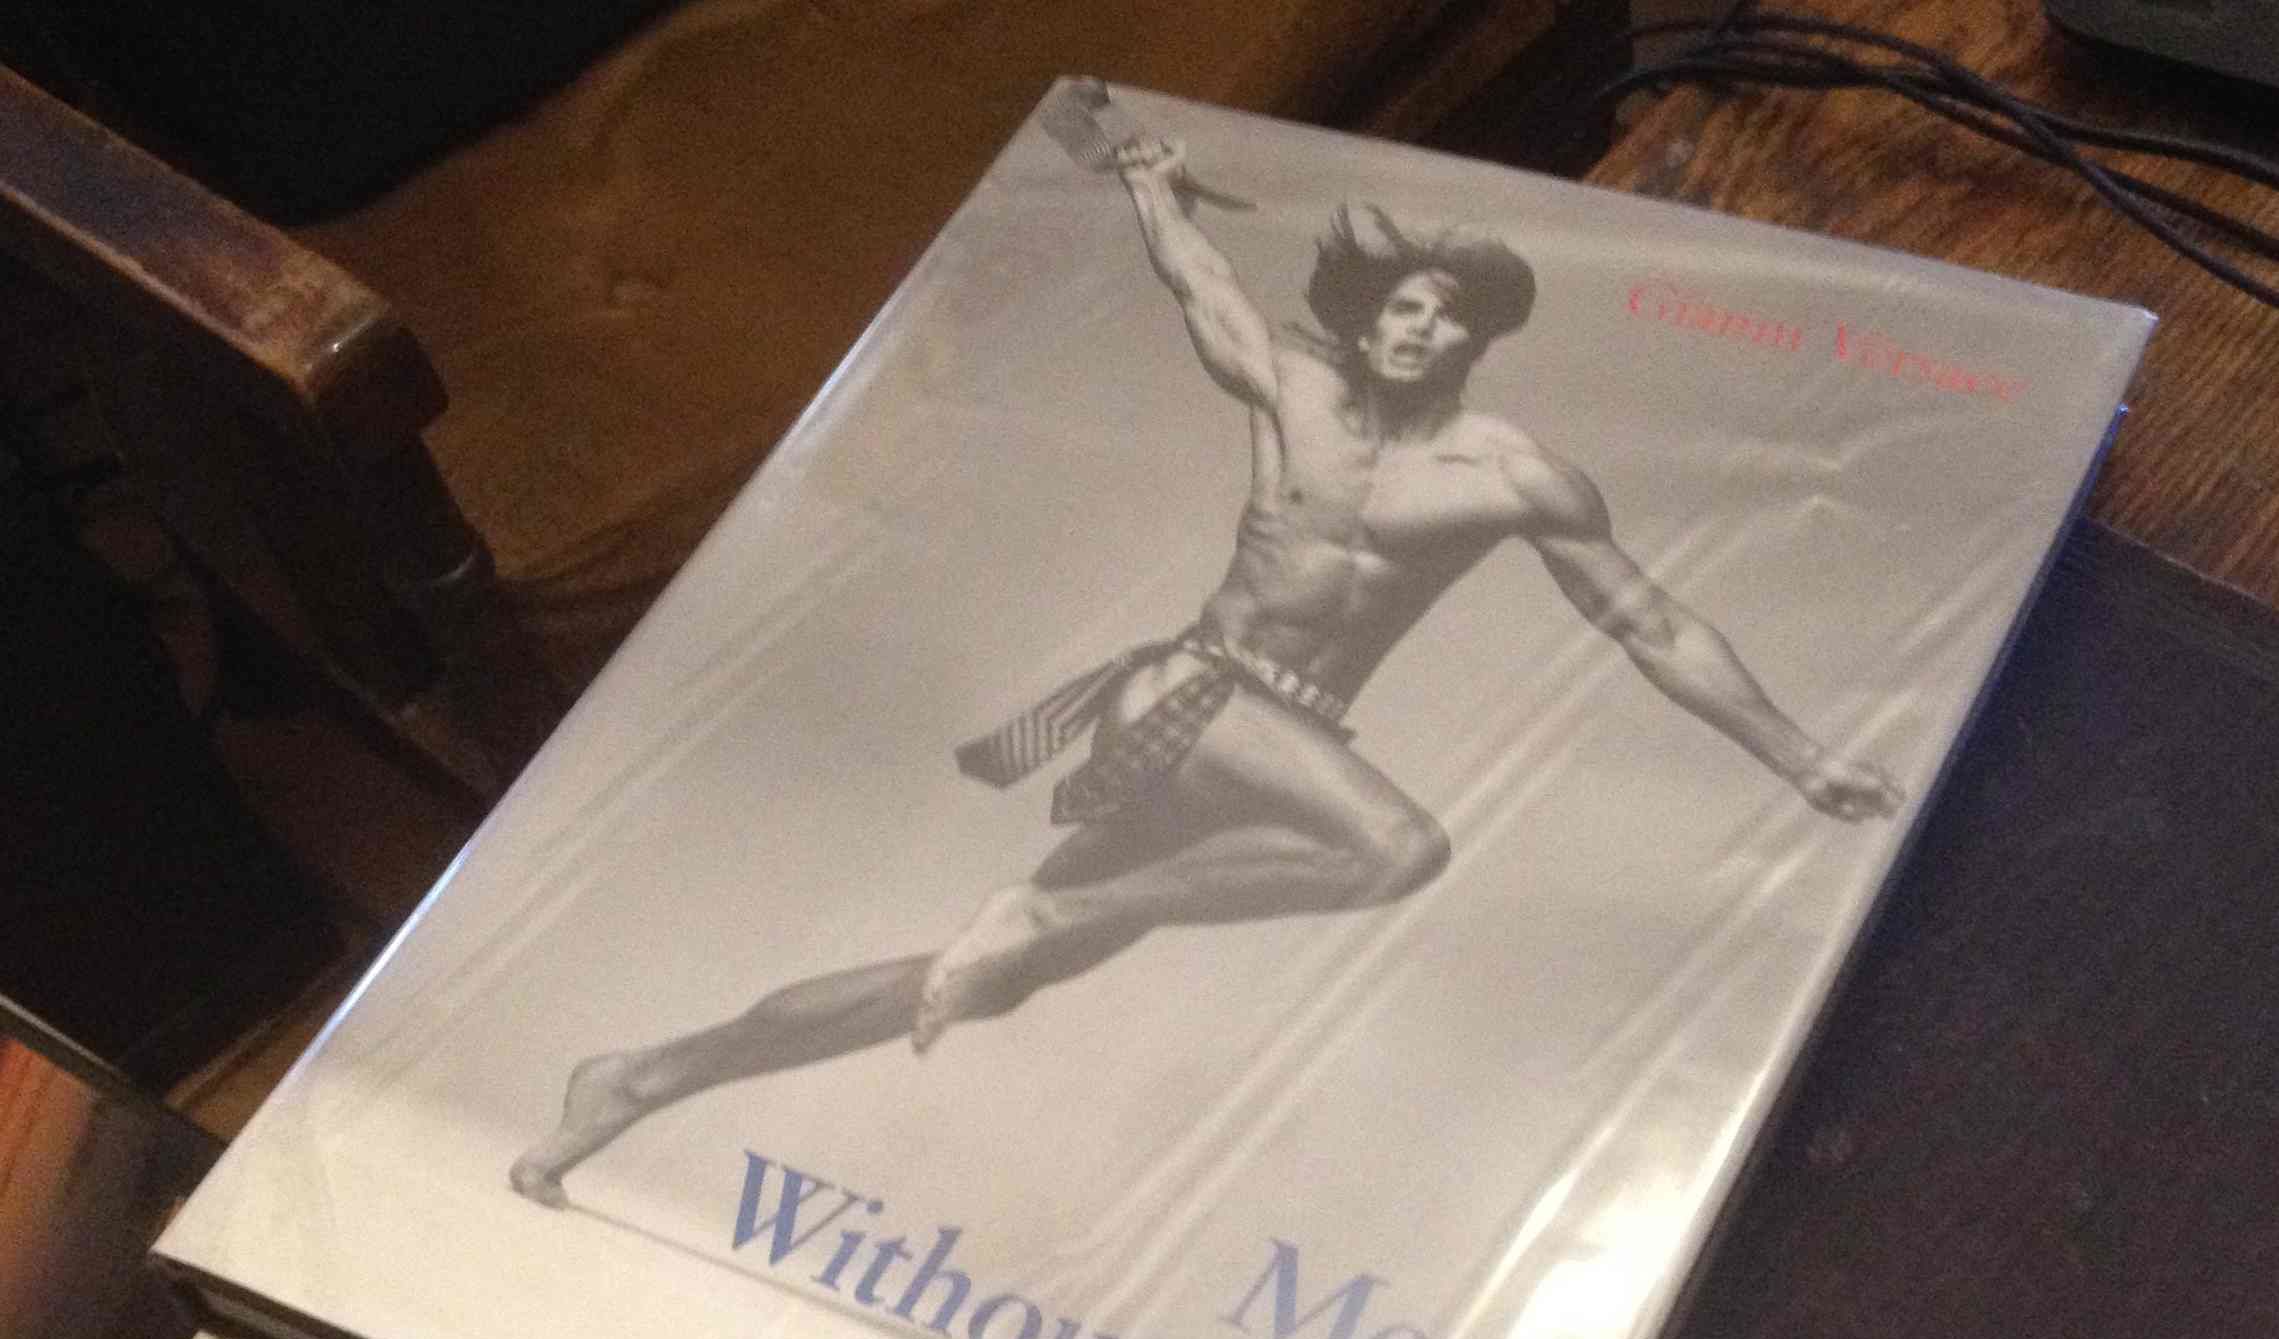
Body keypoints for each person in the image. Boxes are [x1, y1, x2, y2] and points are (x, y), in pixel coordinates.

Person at [509, 136, 1900, 1207]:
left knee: (967, 978)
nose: (1412, 329)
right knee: (1398, 847)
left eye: (1441, 316)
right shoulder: (1295, 394)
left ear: (1477, 339)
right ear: (1367, 318)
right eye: (1397, 308)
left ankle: (640, 1075)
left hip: (1279, 744)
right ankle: (1042, 916)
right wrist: (1152, 188)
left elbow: (1653, 625)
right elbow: (1200, 281)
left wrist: (1803, 757)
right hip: (1181, 694)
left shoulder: (1516, 477)